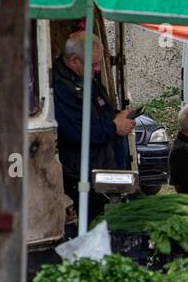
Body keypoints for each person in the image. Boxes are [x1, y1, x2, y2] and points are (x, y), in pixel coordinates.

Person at [53, 30, 135, 219]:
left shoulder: (89, 82)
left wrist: (119, 116)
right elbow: (77, 132)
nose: (98, 69)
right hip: (83, 175)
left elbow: (103, 113)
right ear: (74, 60)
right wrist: (114, 127)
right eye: (94, 64)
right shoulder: (62, 88)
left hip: (104, 169)